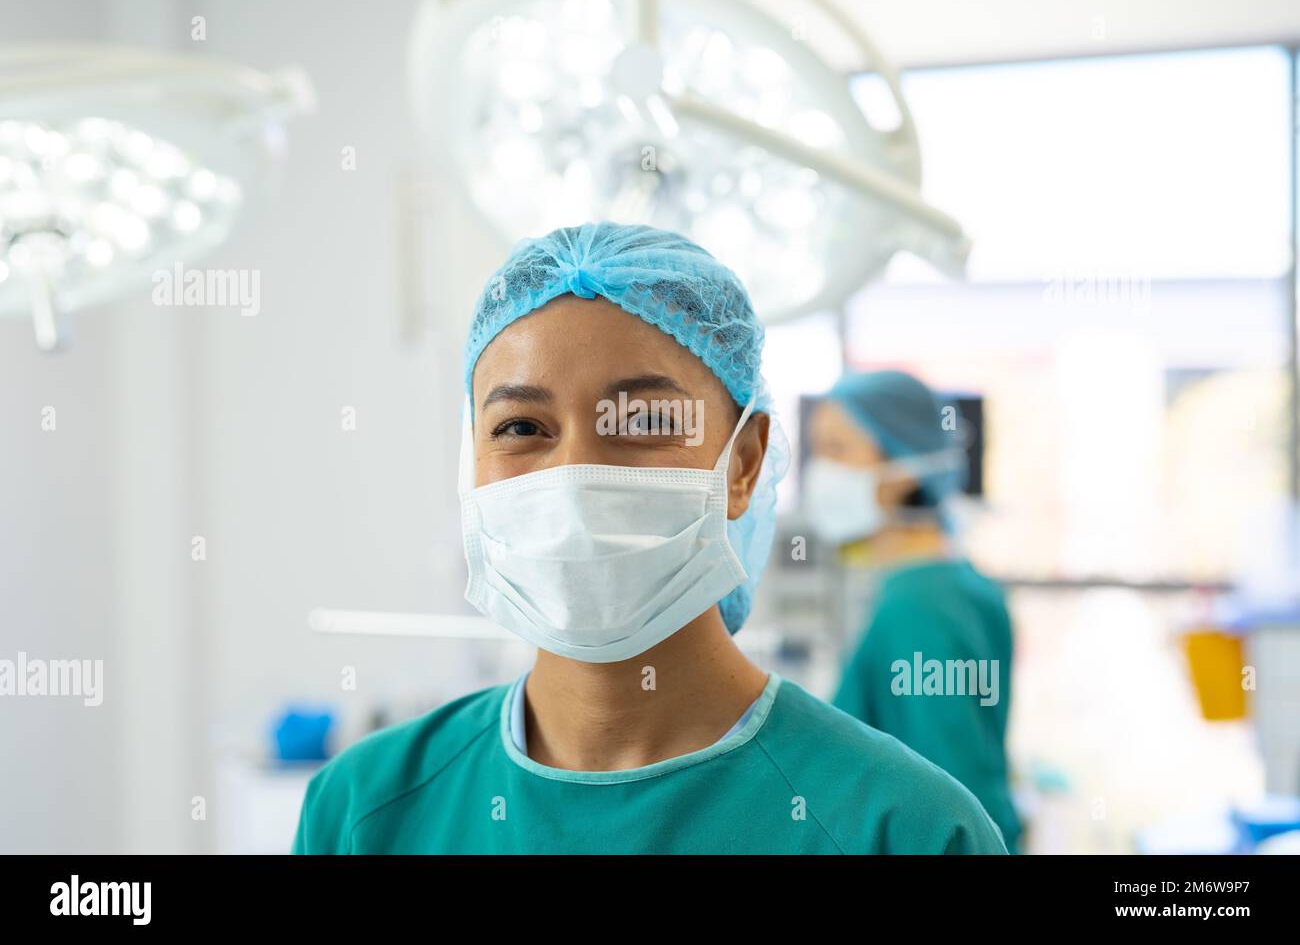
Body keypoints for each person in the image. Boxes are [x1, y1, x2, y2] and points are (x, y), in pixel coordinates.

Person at [292, 224, 1006, 854]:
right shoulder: (363, 811)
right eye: (520, 428)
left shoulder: (906, 830)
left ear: (745, 463)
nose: (574, 476)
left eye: (644, 422)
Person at [805, 370, 1021, 853]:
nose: (820, 471)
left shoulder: (922, 606)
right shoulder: (948, 583)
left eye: (838, 450)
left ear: (904, 467)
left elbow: (958, 798)